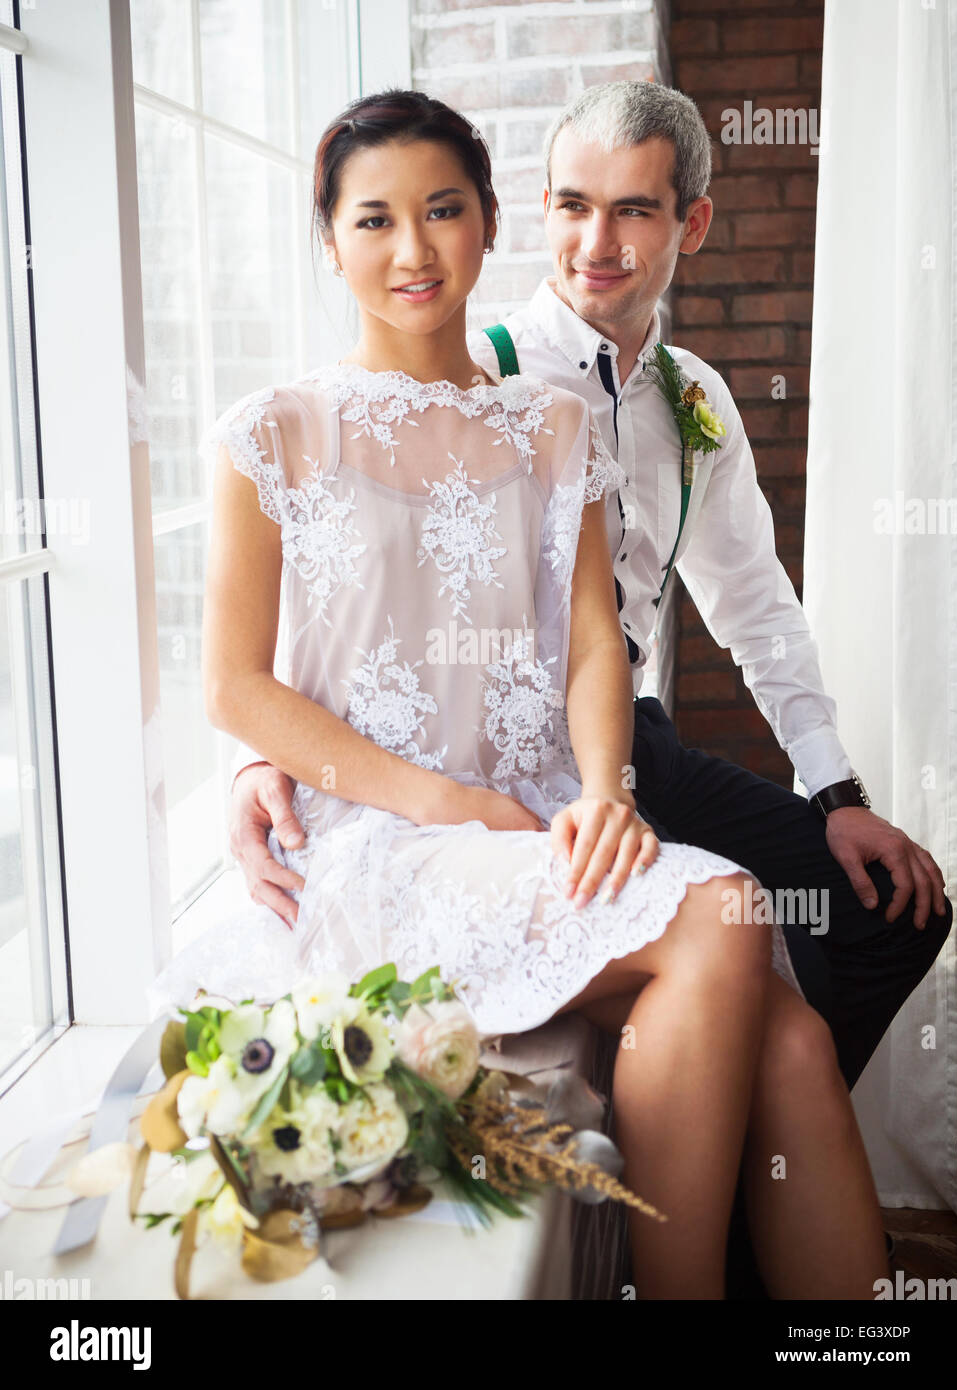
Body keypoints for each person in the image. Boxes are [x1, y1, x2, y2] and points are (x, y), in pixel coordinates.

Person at [152, 89, 890, 1300]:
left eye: (444, 210)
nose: (413, 247)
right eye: (374, 218)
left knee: (797, 1041)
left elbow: (599, 644)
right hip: (388, 842)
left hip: (542, 817)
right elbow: (234, 684)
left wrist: (606, 794)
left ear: (492, 224)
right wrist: (435, 801)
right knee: (727, 913)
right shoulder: (269, 431)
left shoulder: (550, 425)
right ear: (329, 241)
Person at [233, 82, 952, 1101]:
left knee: (891, 909)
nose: (597, 241)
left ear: (690, 223)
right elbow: (349, 594)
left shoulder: (695, 399)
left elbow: (754, 603)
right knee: (736, 944)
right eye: (574, 205)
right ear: (535, 213)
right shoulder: (460, 369)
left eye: (634, 210)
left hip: (627, 740)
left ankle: (747, 1140)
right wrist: (257, 764)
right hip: (519, 770)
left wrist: (835, 793)